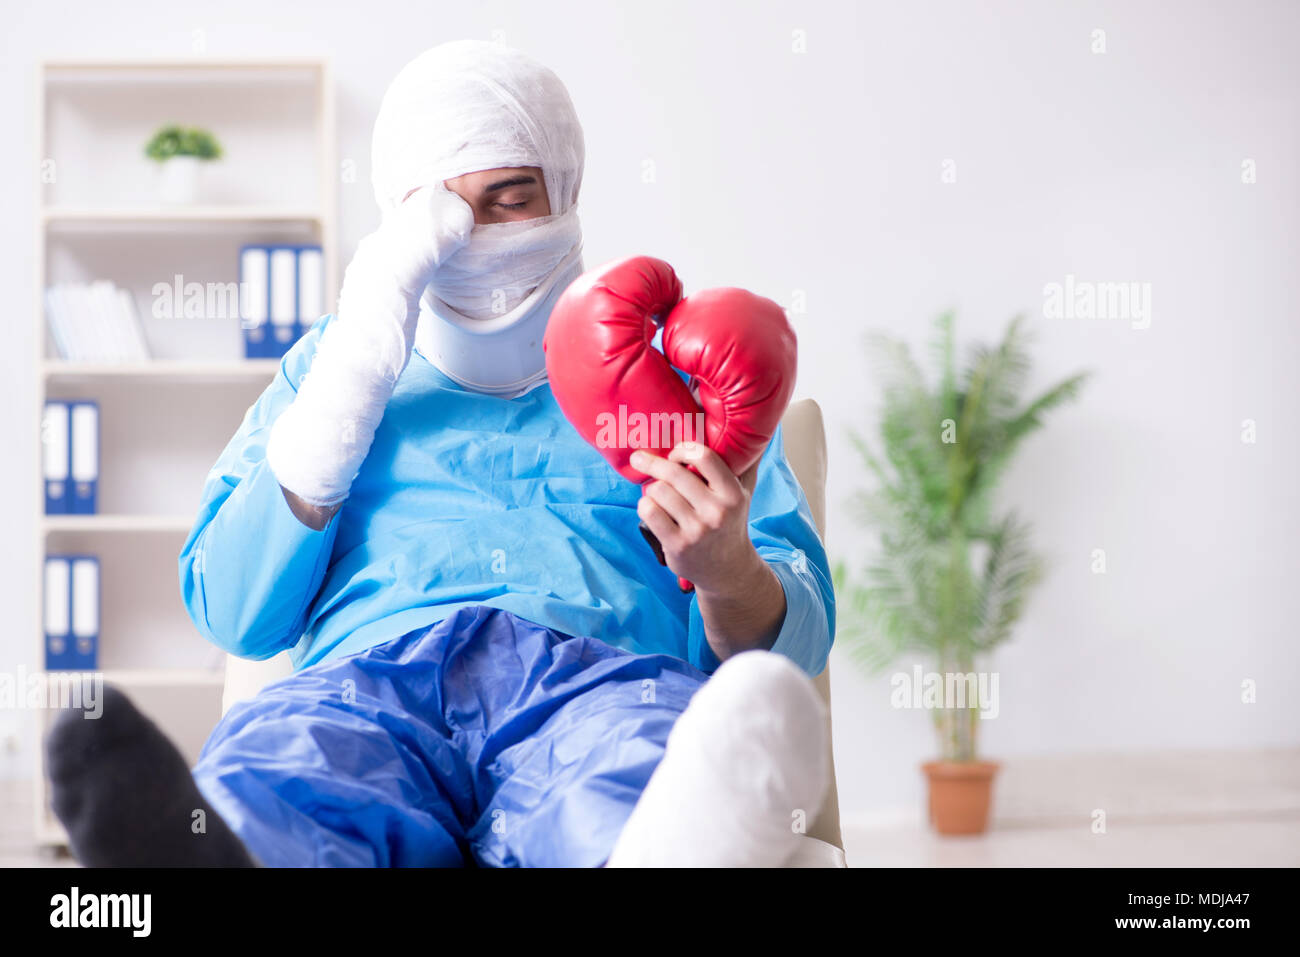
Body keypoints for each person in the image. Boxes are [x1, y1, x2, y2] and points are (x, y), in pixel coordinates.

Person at [46, 39, 835, 868]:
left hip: (600, 682)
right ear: (399, 218)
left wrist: (725, 567)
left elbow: (797, 640)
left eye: (508, 198)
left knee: (628, 768)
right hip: (365, 686)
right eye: (440, 212)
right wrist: (352, 379)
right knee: (292, 771)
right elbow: (233, 611)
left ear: (564, 192)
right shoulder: (333, 364)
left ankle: (668, 845)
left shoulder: (685, 370)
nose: (473, 235)